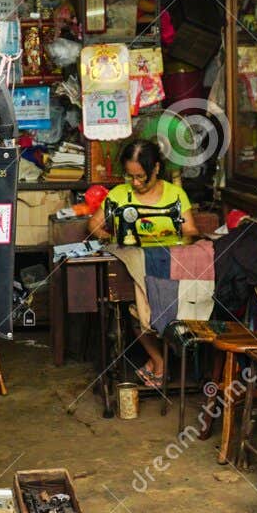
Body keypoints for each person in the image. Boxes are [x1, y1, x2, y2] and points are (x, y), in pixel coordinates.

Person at [87, 139, 198, 388]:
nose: (135, 183)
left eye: (141, 177)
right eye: (130, 177)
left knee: (169, 303)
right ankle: (159, 360)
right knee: (135, 306)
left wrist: (166, 238)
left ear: (156, 168)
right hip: (132, 264)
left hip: (171, 264)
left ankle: (158, 362)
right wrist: (112, 238)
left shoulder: (175, 194)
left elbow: (190, 230)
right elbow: (93, 224)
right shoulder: (119, 195)